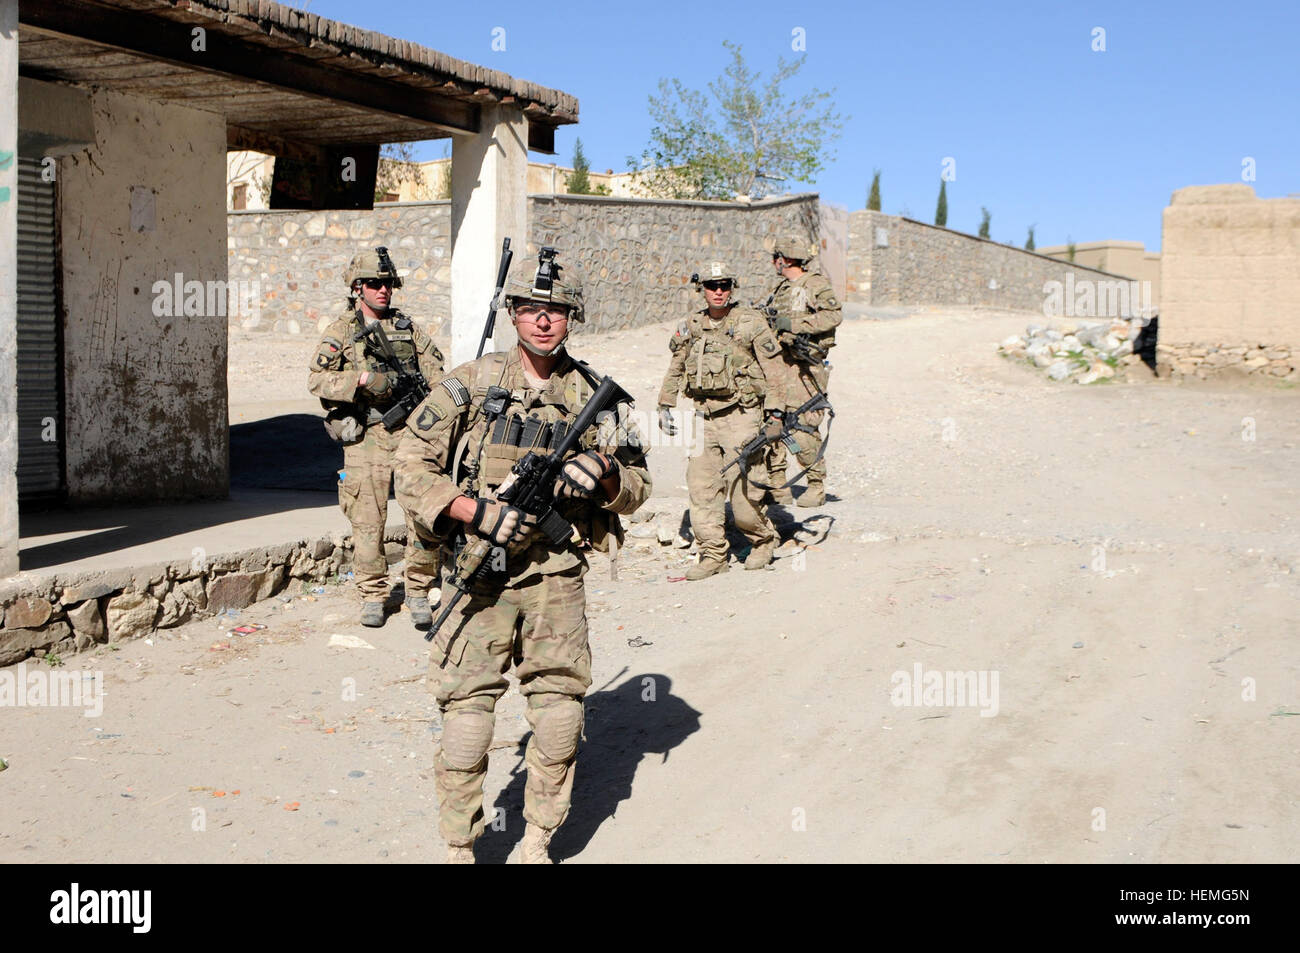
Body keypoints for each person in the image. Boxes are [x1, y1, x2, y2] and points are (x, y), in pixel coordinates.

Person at [393, 251, 651, 864]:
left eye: (556, 311)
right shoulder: (470, 383)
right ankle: (460, 845)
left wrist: (607, 475)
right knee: (466, 722)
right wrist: (474, 513)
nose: (544, 321)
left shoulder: (595, 397)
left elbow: (639, 487)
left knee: (560, 714)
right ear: (512, 313)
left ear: (572, 319)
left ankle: (538, 839)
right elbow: (411, 466)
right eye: (532, 309)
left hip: (555, 577)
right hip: (478, 572)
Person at [308, 247, 444, 628]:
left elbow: (436, 375)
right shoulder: (341, 331)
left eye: (388, 284)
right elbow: (316, 379)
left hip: (411, 435)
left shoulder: (408, 328)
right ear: (357, 288)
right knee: (368, 520)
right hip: (367, 436)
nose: (382, 290)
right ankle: (372, 594)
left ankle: (418, 589)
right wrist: (361, 380)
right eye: (373, 284)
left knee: (421, 512)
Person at [656, 261, 786, 580]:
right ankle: (713, 555)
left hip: (742, 415)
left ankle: (763, 540)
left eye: (724, 285)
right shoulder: (693, 324)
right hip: (704, 416)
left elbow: (775, 370)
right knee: (701, 487)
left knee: (743, 493)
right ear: (702, 289)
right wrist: (664, 404)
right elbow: (677, 364)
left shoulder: (750, 323)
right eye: (712, 286)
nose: (718, 291)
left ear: (732, 288)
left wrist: (775, 413)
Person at [762, 234, 842, 507]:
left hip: (806, 369)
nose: (773, 263)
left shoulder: (815, 284)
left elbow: (833, 316)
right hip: (780, 366)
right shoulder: (781, 289)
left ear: (783, 259)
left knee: (803, 427)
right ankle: (779, 487)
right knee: (774, 424)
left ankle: (816, 486)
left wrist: (794, 325)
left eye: (775, 258)